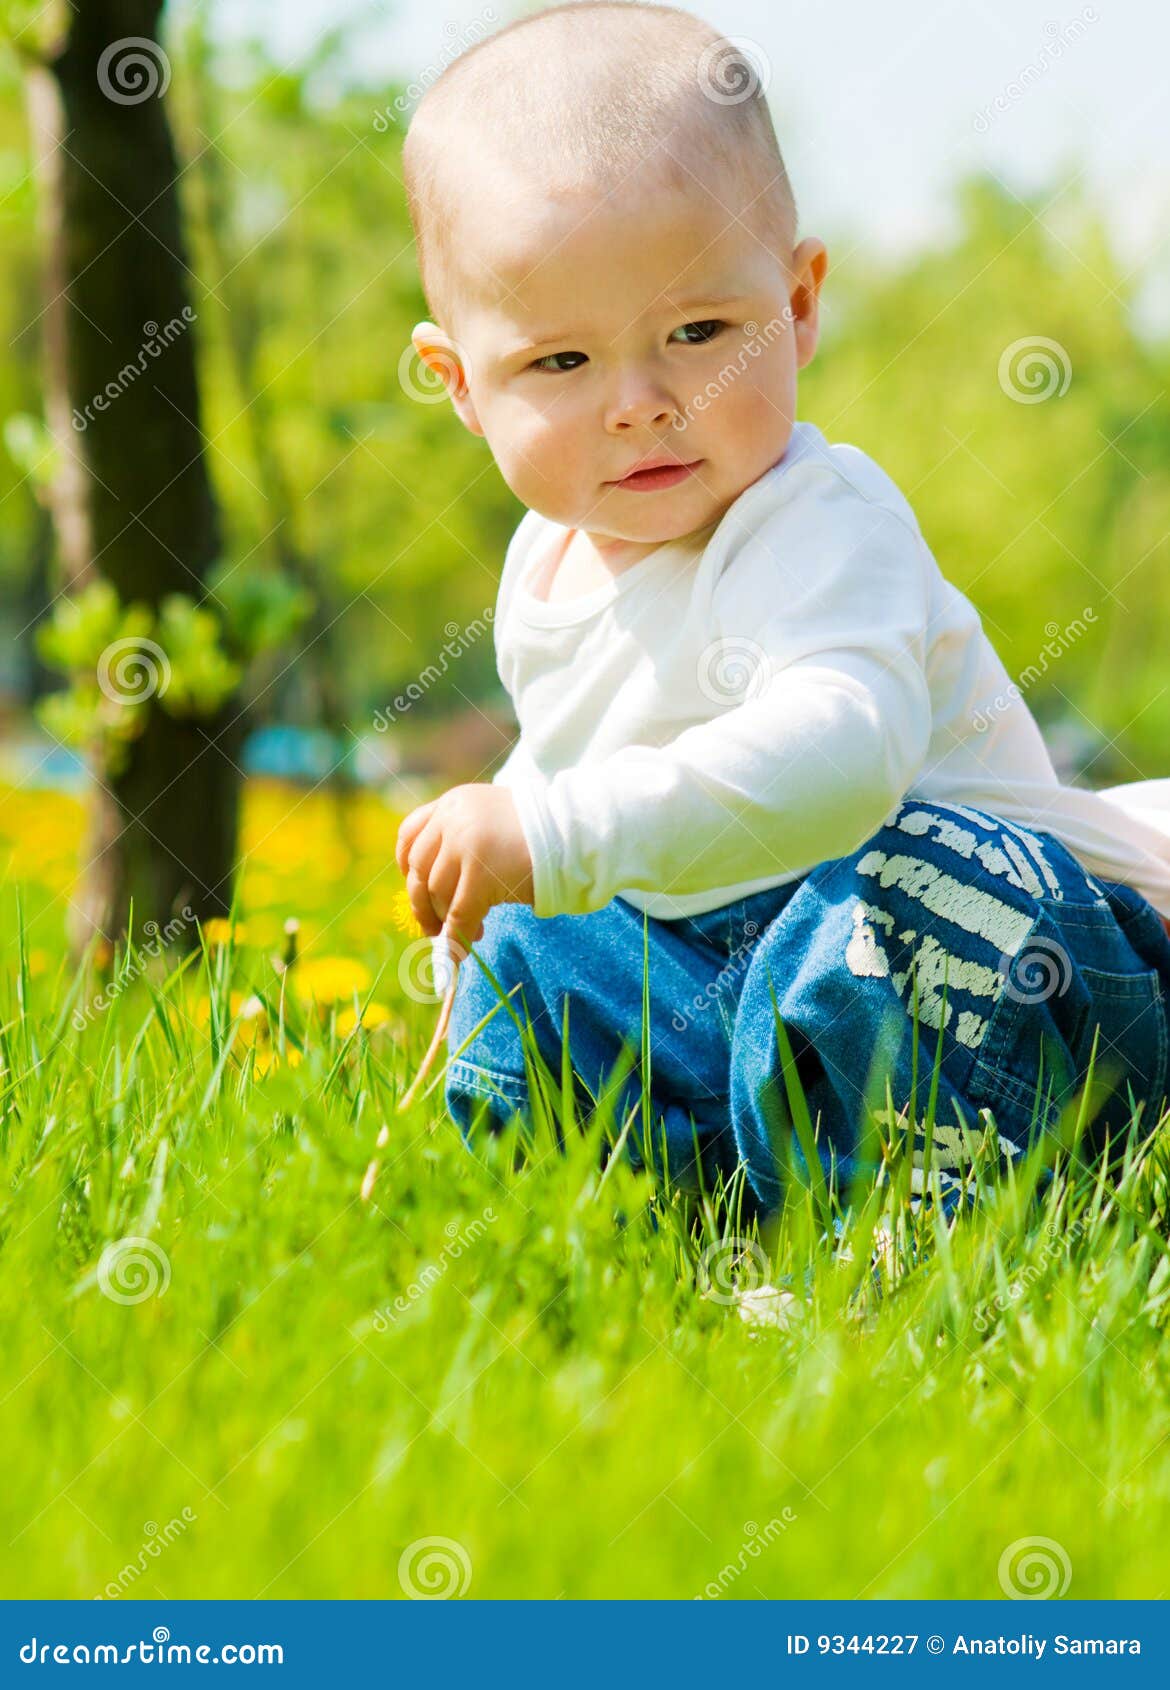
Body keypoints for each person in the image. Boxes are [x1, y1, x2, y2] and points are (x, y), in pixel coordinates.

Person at [392, 0, 1170, 1218]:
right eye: (561, 363)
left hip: (1025, 984)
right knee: (541, 960)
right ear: (460, 385)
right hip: (742, 983)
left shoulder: (818, 522)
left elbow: (842, 757)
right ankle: (608, 1222)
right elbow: (587, 772)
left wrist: (559, 832)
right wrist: (502, 882)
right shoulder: (544, 564)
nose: (638, 402)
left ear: (799, 306)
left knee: (893, 894)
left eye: (699, 332)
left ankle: (922, 1238)